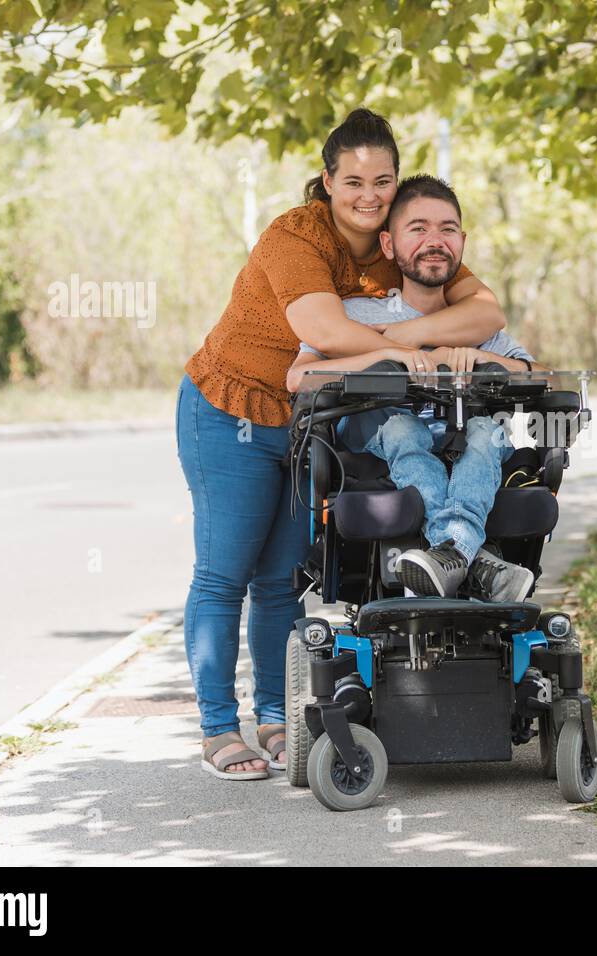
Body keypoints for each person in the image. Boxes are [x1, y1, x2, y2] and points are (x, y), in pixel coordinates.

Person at [178, 110, 508, 780]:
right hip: (233, 407)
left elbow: (486, 312)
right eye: (352, 179)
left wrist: (429, 344)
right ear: (326, 182)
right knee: (225, 573)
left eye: (382, 180)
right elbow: (324, 329)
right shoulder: (294, 236)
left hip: (316, 419)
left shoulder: (396, 240)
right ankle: (218, 728)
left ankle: (273, 718)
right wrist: (421, 348)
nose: (369, 193)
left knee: (281, 580)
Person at [288, 175, 546, 601]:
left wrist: (478, 358)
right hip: (383, 449)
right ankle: (472, 556)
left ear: (462, 243)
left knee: (488, 432)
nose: (435, 240)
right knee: (403, 428)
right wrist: (391, 354)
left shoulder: (475, 325)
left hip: (466, 446)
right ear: (388, 245)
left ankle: (452, 554)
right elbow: (300, 377)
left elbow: (544, 375)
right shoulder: (359, 314)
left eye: (447, 229)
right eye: (418, 228)